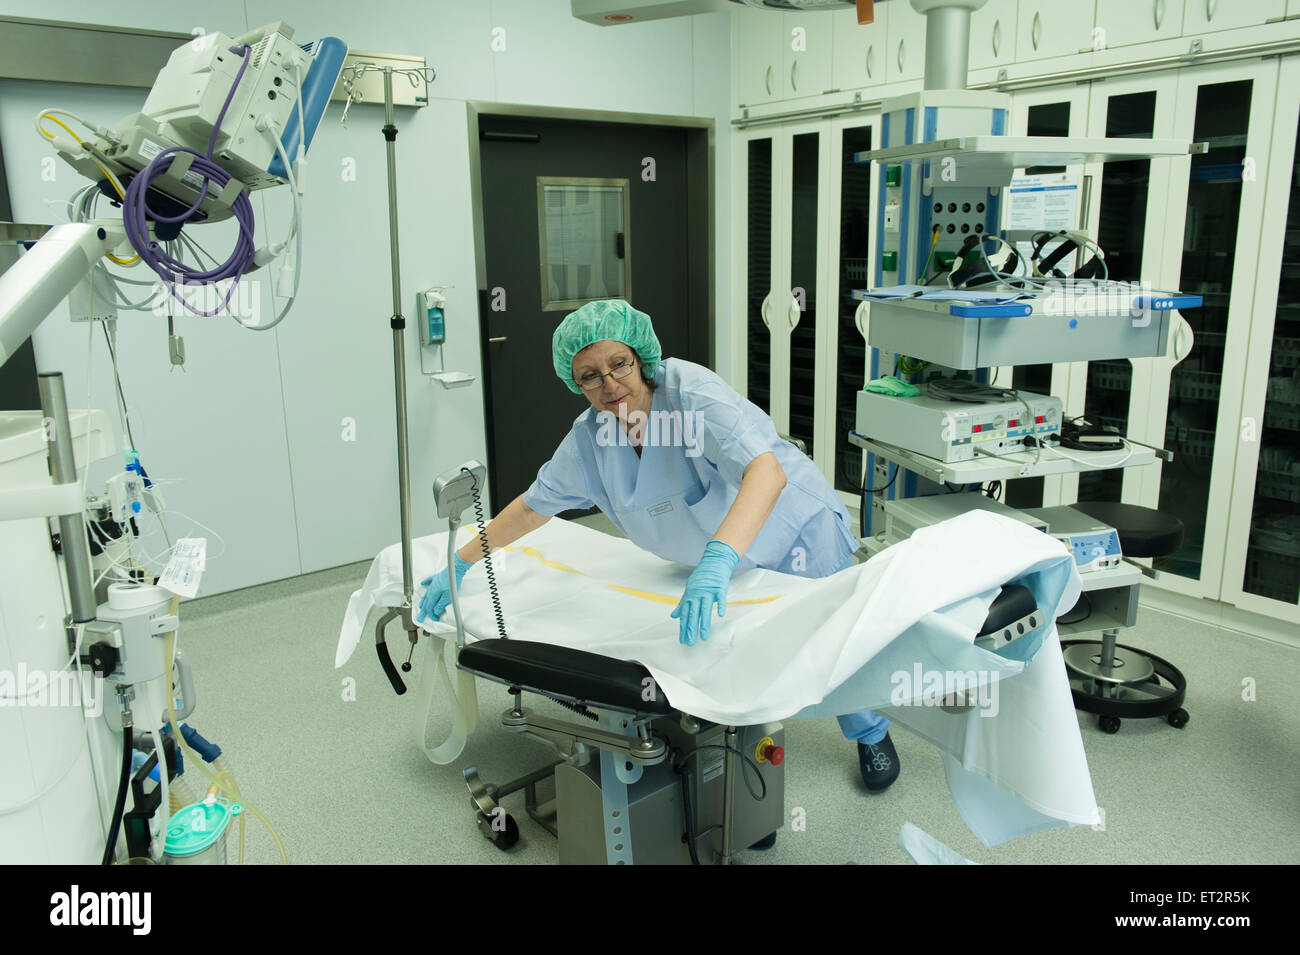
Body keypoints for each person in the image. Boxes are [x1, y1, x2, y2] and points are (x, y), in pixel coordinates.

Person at [416, 299, 900, 792]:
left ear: (641, 359)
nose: (609, 385)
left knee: (832, 637)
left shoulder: (691, 395)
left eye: (618, 364)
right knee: (739, 659)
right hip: (722, 560)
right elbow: (533, 507)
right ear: (574, 383)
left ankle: (869, 732)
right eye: (589, 376)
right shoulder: (590, 441)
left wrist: (717, 558)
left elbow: (765, 471)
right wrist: (460, 562)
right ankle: (748, 780)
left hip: (794, 532)